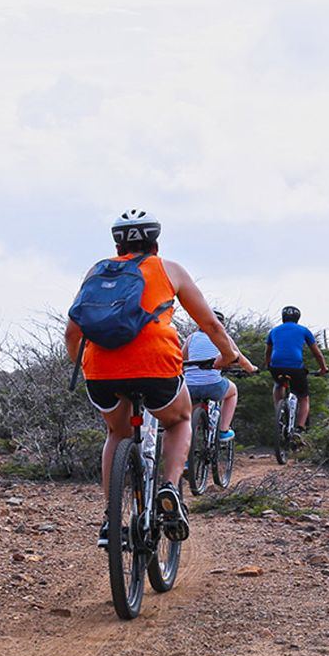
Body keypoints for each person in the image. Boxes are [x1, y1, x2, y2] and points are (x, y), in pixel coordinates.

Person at [66, 210, 248, 545]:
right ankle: (169, 487)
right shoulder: (170, 269)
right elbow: (211, 325)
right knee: (179, 420)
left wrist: (91, 366)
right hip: (156, 365)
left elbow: (72, 333)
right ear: (156, 243)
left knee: (116, 434)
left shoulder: (96, 271)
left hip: (101, 370)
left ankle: (110, 520)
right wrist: (232, 356)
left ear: (117, 245)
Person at [183, 310, 250, 442]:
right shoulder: (223, 337)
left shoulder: (191, 338)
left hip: (190, 386)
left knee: (190, 422)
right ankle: (223, 430)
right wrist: (251, 369)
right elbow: (241, 359)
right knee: (233, 392)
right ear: (221, 325)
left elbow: (181, 359)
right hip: (213, 385)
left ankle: (186, 458)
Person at [265, 305, 328, 438]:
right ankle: (299, 429)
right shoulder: (304, 330)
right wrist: (323, 368)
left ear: (283, 318)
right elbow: (317, 353)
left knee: (278, 384)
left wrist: (268, 365)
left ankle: (279, 411)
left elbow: (268, 352)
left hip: (276, 366)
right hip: (295, 367)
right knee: (303, 398)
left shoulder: (274, 331)